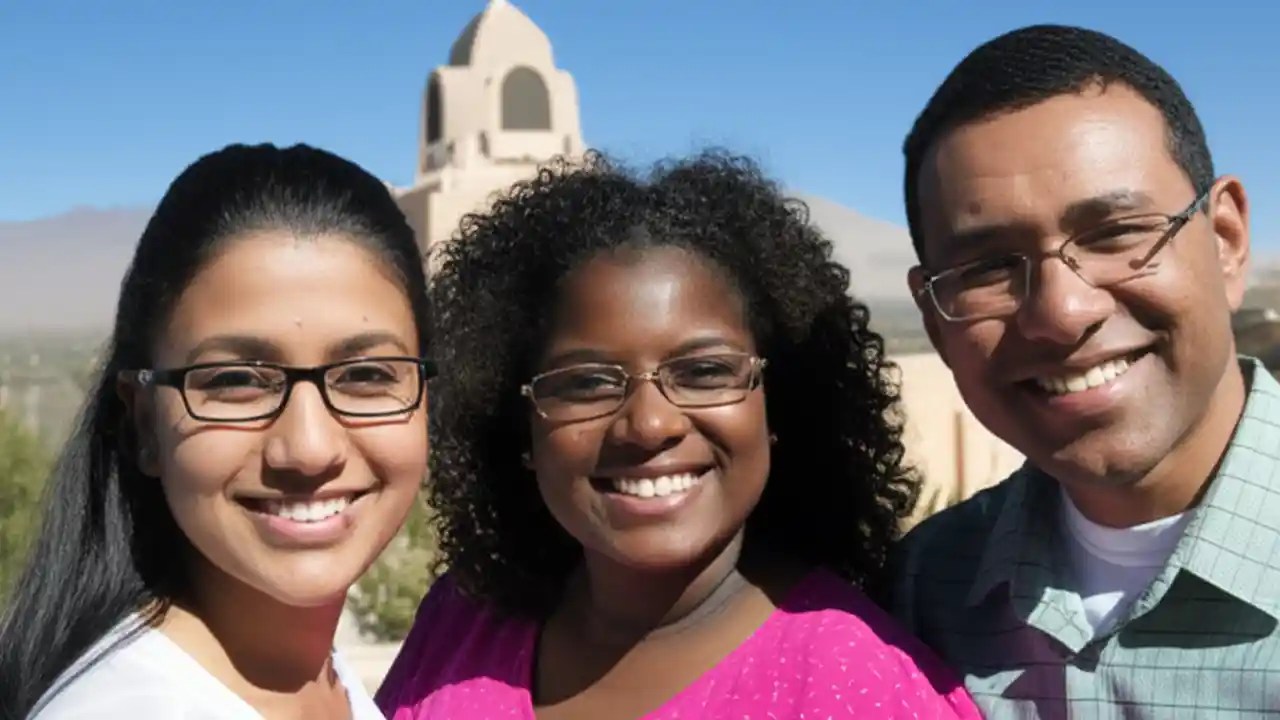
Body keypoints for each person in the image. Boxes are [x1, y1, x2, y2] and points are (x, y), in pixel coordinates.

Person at [375, 151, 982, 719]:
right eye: (587, 382)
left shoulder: (861, 685)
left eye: (704, 372)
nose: (649, 424)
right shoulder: (464, 619)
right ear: (520, 426)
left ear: (778, 406)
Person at [892, 23, 1275, 717]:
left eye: (1116, 234)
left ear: (1225, 241)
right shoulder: (922, 594)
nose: (1062, 312)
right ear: (935, 319)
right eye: (988, 268)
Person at [0, 143, 435, 719]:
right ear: (144, 421)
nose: (309, 449)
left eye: (367, 375)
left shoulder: (308, 673)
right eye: (236, 381)